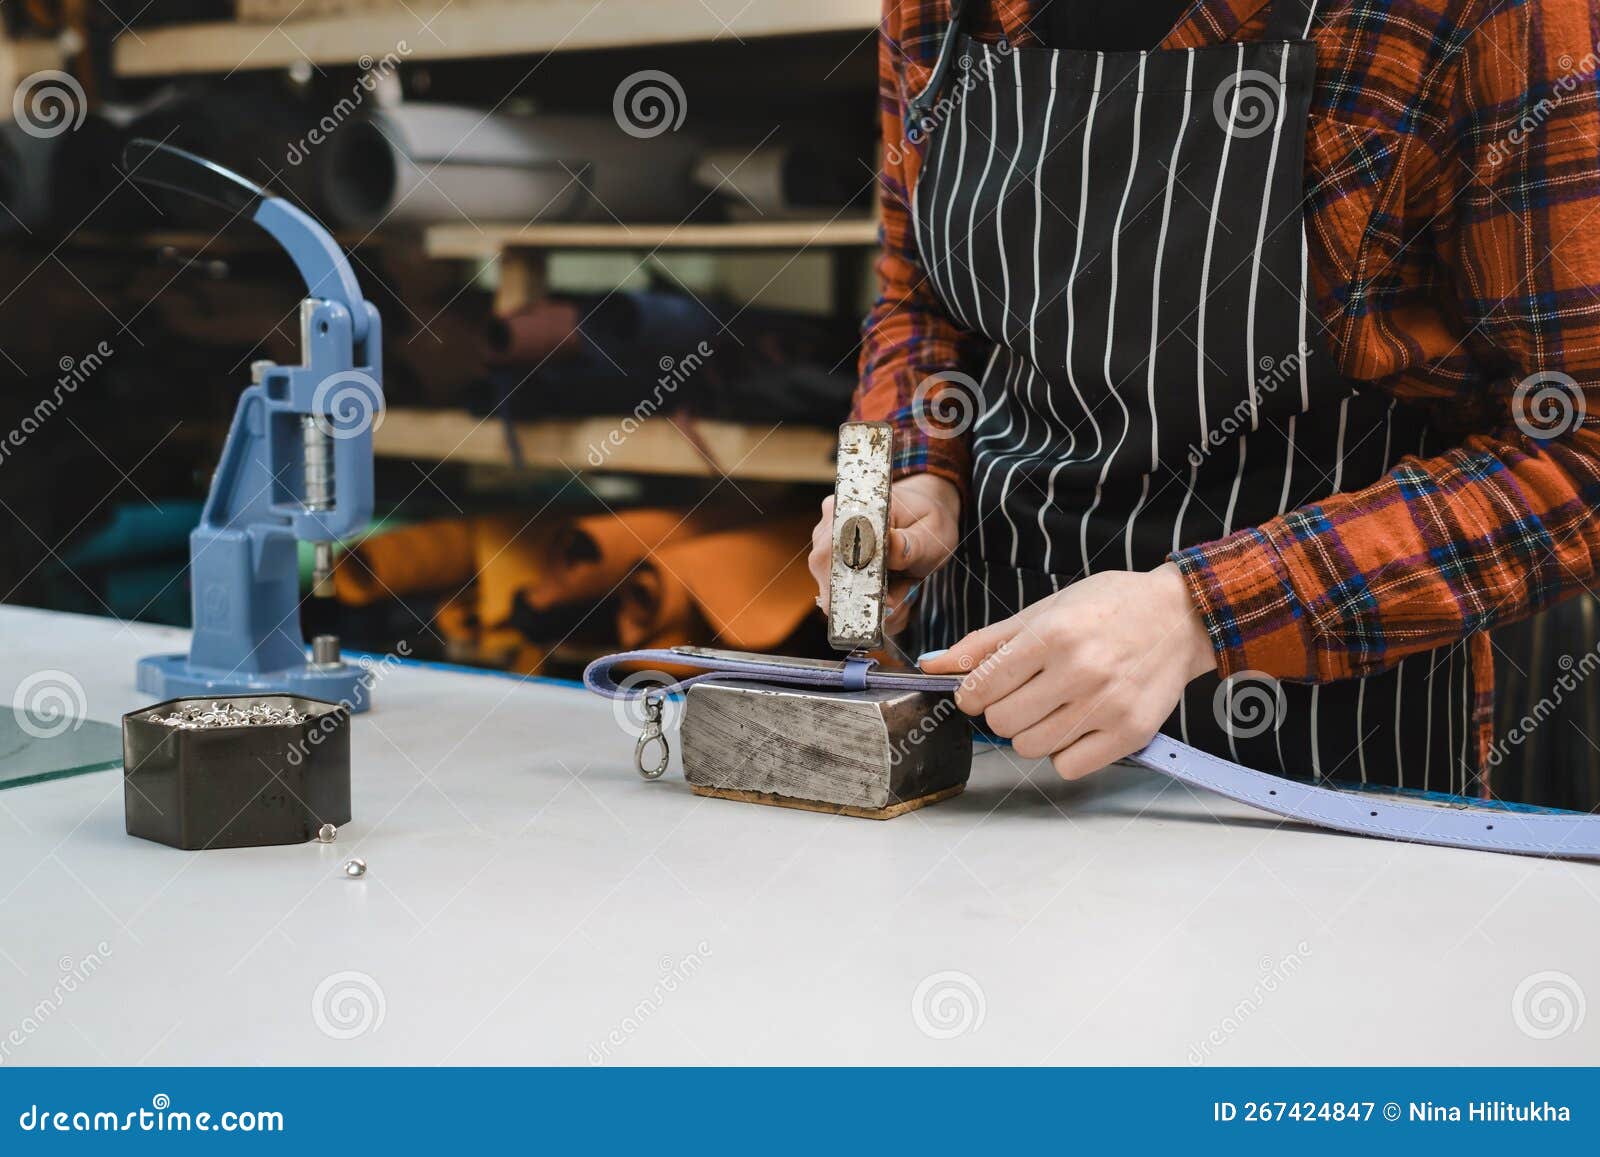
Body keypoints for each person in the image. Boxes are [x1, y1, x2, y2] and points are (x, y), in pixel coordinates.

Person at [808, 0, 1600, 792]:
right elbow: (918, 300)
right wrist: (913, 471)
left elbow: (1579, 449)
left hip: (1320, 756)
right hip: (981, 724)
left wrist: (1198, 612)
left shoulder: (1481, 15)